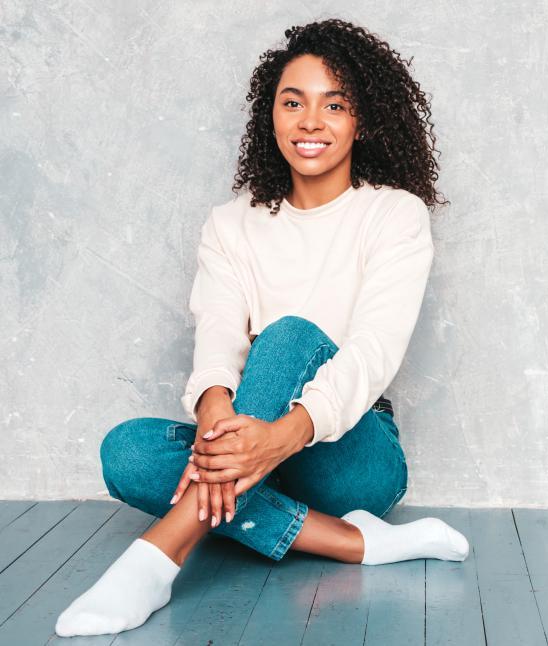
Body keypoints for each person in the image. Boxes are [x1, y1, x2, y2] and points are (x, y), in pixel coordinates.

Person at [55, 19, 469, 638]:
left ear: (363, 120)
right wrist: (222, 420)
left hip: (351, 457)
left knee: (290, 336)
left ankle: (154, 558)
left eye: (335, 104)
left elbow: (372, 353)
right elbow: (218, 339)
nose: (310, 122)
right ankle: (356, 543)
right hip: (252, 446)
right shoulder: (231, 224)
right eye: (293, 101)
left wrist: (283, 437)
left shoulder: (393, 214)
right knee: (127, 452)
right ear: (268, 114)